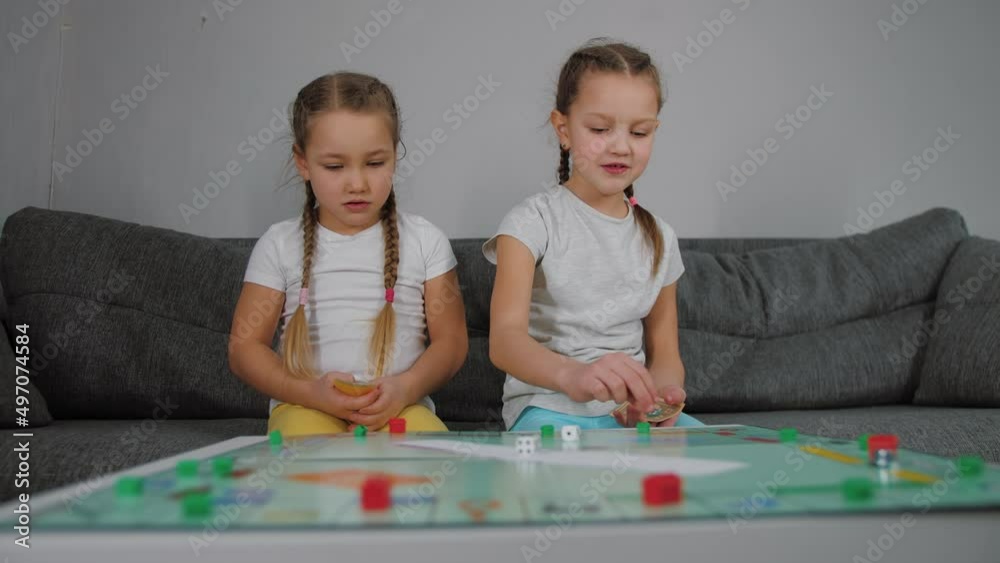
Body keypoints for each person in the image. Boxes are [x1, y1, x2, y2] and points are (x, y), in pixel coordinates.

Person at [229, 72, 468, 436]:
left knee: (431, 453)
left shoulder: (426, 241)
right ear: (303, 162)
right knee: (309, 457)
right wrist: (309, 392)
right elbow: (244, 347)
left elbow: (451, 343)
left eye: (374, 163)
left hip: (400, 408)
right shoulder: (278, 244)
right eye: (335, 166)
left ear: (395, 156)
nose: (357, 183)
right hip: (306, 407)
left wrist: (406, 388)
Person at [484, 39, 703, 432]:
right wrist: (574, 376)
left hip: (630, 419)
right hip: (548, 411)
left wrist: (660, 398)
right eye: (600, 129)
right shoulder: (531, 223)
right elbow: (505, 342)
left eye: (639, 132)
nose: (621, 146)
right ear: (563, 129)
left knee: (723, 461)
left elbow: (666, 355)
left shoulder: (661, 238)